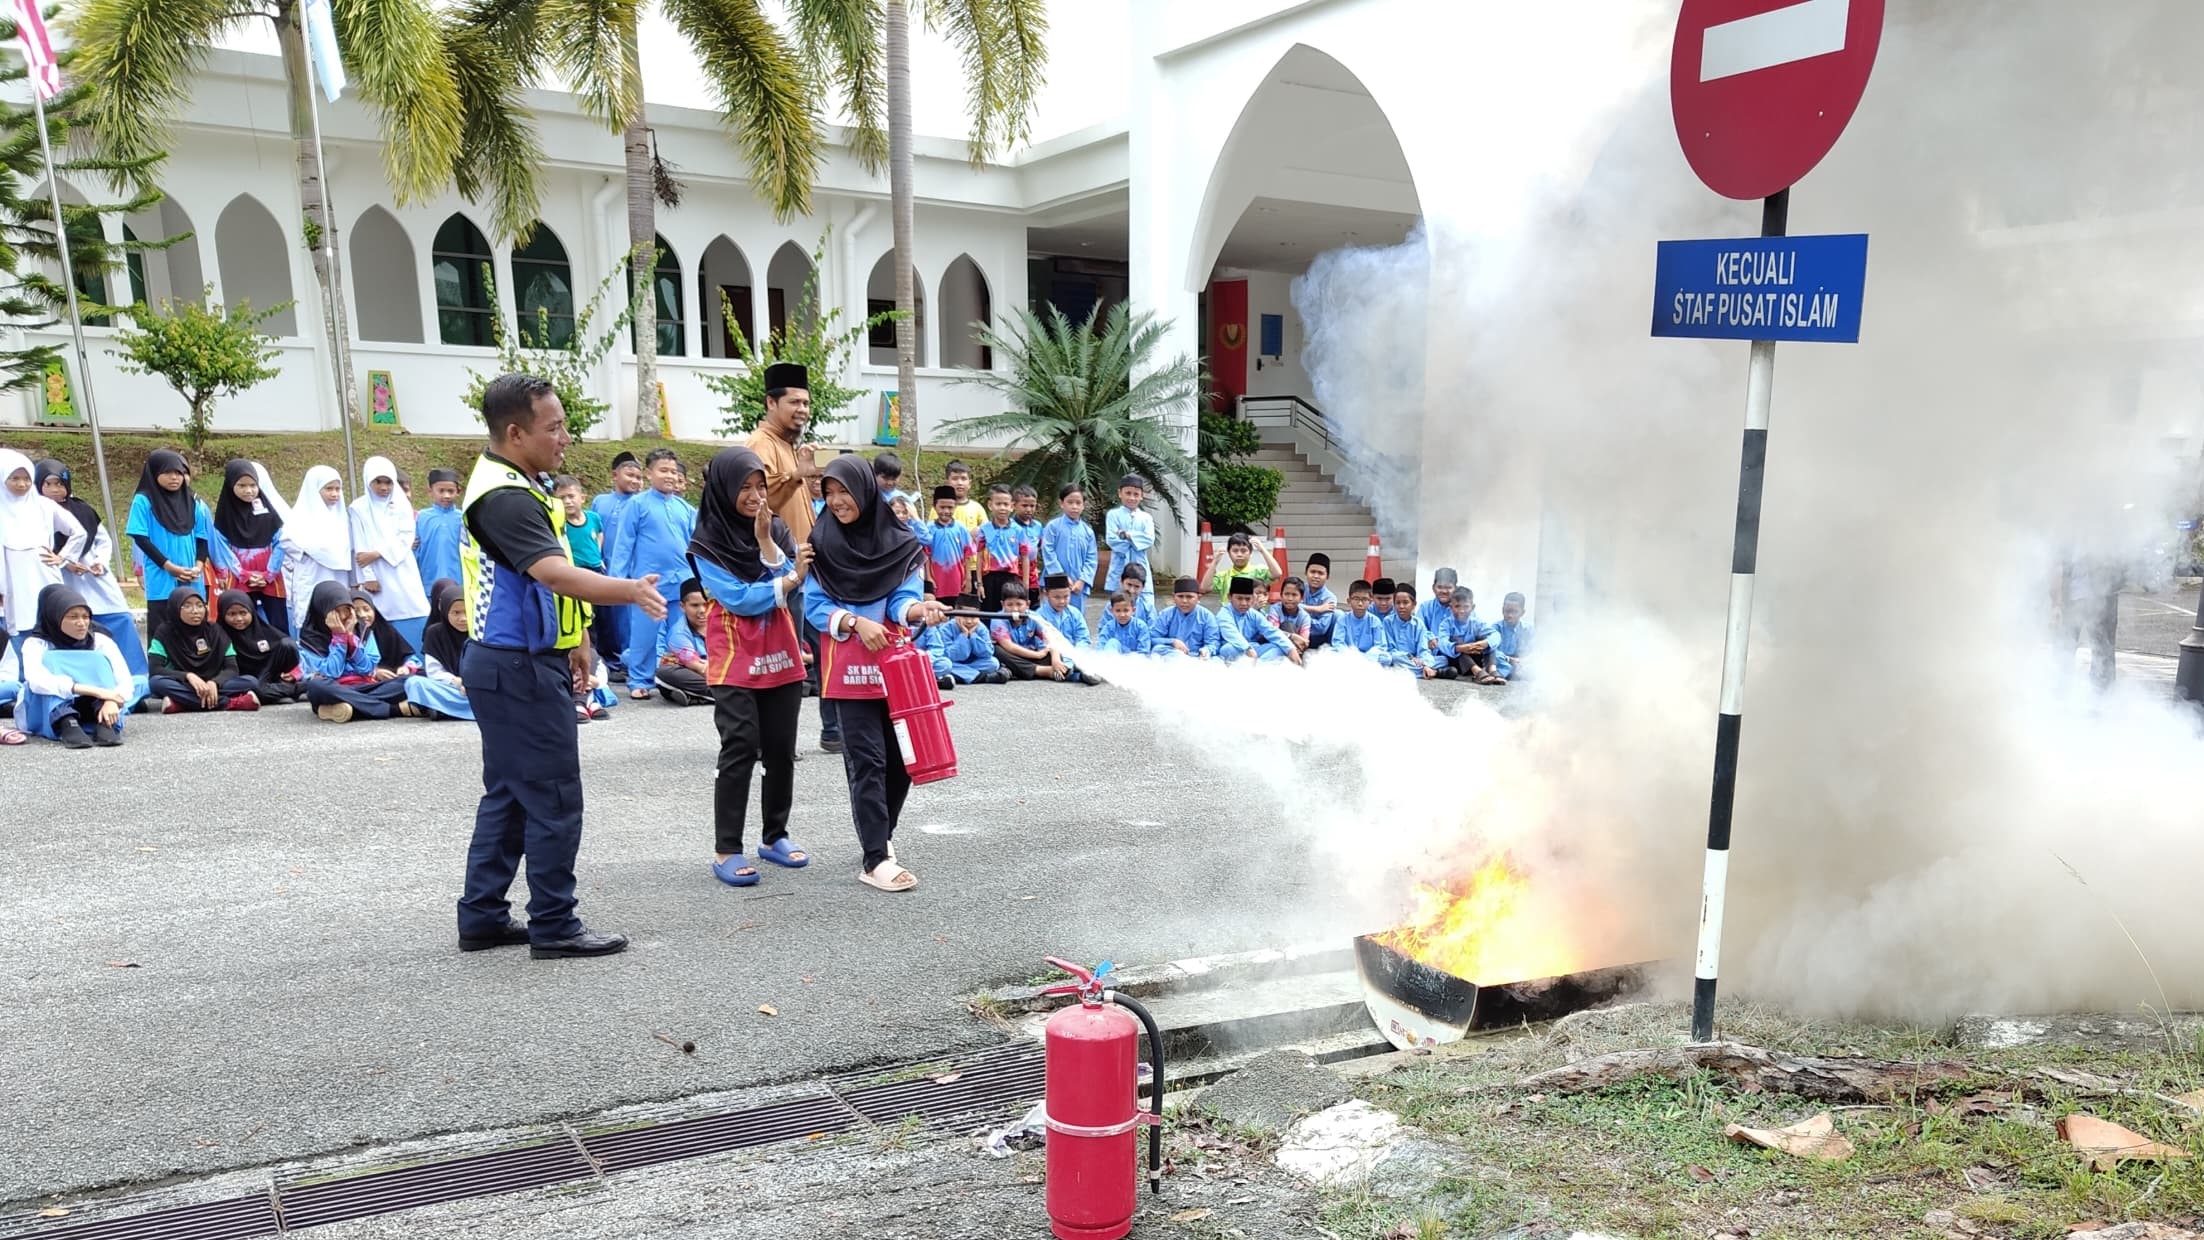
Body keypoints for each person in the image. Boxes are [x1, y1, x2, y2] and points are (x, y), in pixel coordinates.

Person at [456, 374, 667, 958]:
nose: (565, 438)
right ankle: (554, 923)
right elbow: (552, 572)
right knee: (551, 795)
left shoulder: (517, 481)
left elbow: (539, 582)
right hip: (515, 667)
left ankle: (482, 915)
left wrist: (575, 640)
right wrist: (627, 590)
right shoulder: (505, 498)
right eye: (554, 428)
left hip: (510, 658)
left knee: (510, 792)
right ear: (515, 432)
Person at [802, 454, 946, 893]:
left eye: (844, 491)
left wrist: (921, 609)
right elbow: (813, 605)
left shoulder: (900, 540)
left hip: (894, 670)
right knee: (867, 762)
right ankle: (875, 858)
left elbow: (902, 599)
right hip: (848, 672)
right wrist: (853, 623)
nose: (837, 501)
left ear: (866, 490)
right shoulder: (820, 542)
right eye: (829, 493)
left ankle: (880, 836)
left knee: (903, 762)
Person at [688, 444, 813, 888]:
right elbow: (739, 597)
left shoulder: (774, 527)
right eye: (745, 486)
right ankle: (727, 848)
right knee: (740, 744)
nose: (755, 495)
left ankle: (775, 836)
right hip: (734, 654)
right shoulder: (706, 541)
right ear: (723, 489)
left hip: (779, 650)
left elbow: (782, 581)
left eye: (761, 486)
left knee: (781, 748)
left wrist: (764, 540)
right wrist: (789, 578)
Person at [746, 362, 838, 752]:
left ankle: (833, 730)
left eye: (806, 403)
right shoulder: (759, 446)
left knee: (828, 641)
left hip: (806, 566)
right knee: (782, 652)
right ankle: (772, 739)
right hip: (779, 566)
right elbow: (757, 505)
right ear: (771, 402)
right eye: (794, 402)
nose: (802, 409)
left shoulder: (786, 447)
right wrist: (797, 476)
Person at [608, 448, 697, 699]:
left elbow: (695, 547)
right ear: (649, 473)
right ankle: (639, 679)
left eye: (672, 471)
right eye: (663, 470)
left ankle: (675, 677)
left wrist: (698, 580)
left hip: (681, 583)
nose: (669, 476)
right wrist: (618, 582)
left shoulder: (684, 508)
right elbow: (624, 544)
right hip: (648, 584)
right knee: (644, 634)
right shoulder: (637, 504)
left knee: (679, 633)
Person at [17, 585, 132, 747]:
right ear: (55, 617)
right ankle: (66, 721)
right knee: (51, 662)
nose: (81, 623)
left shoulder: (100, 641)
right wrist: (96, 691)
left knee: (99, 660)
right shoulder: (35, 644)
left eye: (86, 617)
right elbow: (36, 681)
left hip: (97, 702)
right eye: (73, 617)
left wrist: (111, 701)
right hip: (52, 707)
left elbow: (125, 681)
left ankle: (105, 722)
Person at [2, 450, 86, 652]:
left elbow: (78, 532)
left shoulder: (43, 505)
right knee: (21, 627)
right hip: (12, 576)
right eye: (14, 478)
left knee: (51, 621)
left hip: (43, 573)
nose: (22, 484)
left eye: (26, 479)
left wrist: (63, 557)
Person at [298, 582, 414, 722]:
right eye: (336, 611)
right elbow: (332, 672)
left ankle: (347, 708)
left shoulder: (363, 630)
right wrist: (339, 637)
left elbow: (366, 668)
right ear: (322, 611)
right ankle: (392, 709)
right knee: (316, 686)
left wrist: (351, 638)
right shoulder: (309, 639)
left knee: (410, 681)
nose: (342, 616)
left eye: (346, 609)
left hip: (365, 686)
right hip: (335, 688)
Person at [125, 449, 211, 635]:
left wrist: (198, 566)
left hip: (191, 575)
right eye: (168, 472)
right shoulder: (143, 501)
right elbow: (140, 537)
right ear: (155, 473)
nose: (174, 478)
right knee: (162, 627)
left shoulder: (192, 501)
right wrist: (169, 566)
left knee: (194, 626)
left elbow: (202, 537)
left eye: (179, 473)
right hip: (162, 574)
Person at [351, 456, 433, 652]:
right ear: (368, 481)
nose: (383, 487)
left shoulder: (401, 504)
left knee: (412, 610)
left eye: (388, 482)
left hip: (401, 568)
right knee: (379, 615)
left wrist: (378, 553)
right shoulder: (358, 508)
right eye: (377, 482)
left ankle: (415, 662)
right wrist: (368, 576)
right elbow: (359, 545)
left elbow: (406, 536)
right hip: (375, 574)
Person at [205, 459, 289, 634]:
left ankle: (280, 660)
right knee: (239, 622)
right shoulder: (224, 518)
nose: (249, 490)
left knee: (278, 626)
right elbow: (222, 548)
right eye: (241, 485)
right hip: (238, 577)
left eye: (253, 485)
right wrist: (243, 574)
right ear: (230, 486)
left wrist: (269, 574)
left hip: (270, 578)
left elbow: (281, 542)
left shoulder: (267, 513)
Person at [146, 583, 259, 712]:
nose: (195, 611)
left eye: (200, 605)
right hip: (185, 684)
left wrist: (214, 682)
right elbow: (155, 669)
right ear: (175, 608)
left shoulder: (216, 630)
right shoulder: (164, 632)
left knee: (251, 682)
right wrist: (188, 676)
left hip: (214, 683)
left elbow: (232, 668)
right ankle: (230, 703)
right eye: (187, 606)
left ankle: (182, 703)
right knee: (156, 683)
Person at [588, 451, 647, 678]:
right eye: (630, 475)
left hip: (631, 572)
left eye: (638, 477)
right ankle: (608, 661)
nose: (635, 480)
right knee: (606, 618)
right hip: (603, 569)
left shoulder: (640, 503)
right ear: (615, 475)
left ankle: (629, 661)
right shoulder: (600, 502)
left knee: (628, 620)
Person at [280, 465, 355, 632]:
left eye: (338, 489)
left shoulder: (343, 517)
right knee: (312, 620)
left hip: (338, 577)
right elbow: (287, 540)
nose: (334, 494)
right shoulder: (301, 516)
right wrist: (310, 551)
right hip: (312, 574)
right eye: (329, 489)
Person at [404, 579, 474, 720]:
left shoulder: (480, 631)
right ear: (445, 611)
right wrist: (456, 681)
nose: (463, 618)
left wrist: (474, 684)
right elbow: (434, 671)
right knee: (414, 683)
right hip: (452, 687)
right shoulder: (435, 632)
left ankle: (444, 709)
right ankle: (460, 709)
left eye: (467, 611)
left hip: (479, 688)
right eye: (456, 613)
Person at [218, 588, 301, 704]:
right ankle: (298, 689)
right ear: (222, 614)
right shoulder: (219, 635)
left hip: (272, 677)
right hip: (245, 681)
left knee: (288, 645)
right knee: (255, 688)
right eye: (232, 614)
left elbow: (291, 655)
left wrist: (294, 673)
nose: (239, 619)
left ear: (251, 611)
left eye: (243, 613)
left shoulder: (264, 631)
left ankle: (278, 691)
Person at [654, 579, 714, 707]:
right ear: (682, 606)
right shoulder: (678, 633)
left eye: (706, 604)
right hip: (693, 673)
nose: (702, 610)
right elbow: (699, 667)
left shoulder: (722, 623)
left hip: (716, 672)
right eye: (695, 605)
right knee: (664, 673)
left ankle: (697, 697)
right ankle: (723, 696)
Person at [974, 484, 1033, 611]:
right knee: (988, 613)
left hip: (1011, 578)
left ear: (1012, 506)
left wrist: (1025, 584)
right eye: (998, 504)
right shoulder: (984, 529)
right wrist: (979, 583)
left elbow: (1025, 557)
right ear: (990, 505)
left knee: (1009, 613)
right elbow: (979, 556)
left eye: (1006, 504)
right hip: (989, 578)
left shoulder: (1018, 530)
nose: (1002, 508)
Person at [1042, 484, 1099, 610]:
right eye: (1070, 502)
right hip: (1055, 584)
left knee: (1076, 620)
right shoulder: (1053, 527)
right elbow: (1048, 551)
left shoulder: (1088, 532)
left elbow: (1092, 559)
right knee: (1052, 620)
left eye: (1078, 503)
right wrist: (1062, 577)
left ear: (1083, 505)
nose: (1074, 506)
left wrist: (1082, 581)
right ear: (1061, 503)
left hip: (1078, 587)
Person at [1220, 575, 1300, 664]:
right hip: (1235, 648)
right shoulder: (1224, 613)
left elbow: (1271, 631)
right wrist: (1248, 649)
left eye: (1247, 599)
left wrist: (1290, 649)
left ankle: (1258, 667)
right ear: (1229, 597)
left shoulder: (1253, 613)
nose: (1244, 603)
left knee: (1279, 648)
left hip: (1253, 649)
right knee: (1227, 649)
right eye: (1239, 598)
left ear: (1253, 598)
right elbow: (1232, 634)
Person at [1105, 474, 1155, 606]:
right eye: (1128, 493)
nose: (1132, 497)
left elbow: (1149, 539)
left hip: (1140, 562)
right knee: (1119, 603)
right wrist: (1136, 540)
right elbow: (1111, 539)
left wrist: (1127, 535)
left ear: (1141, 495)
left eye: (1136, 494)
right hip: (1120, 563)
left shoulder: (1146, 517)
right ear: (1120, 493)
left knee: (1145, 602)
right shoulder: (1113, 515)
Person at [933, 594, 1005, 686]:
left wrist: (973, 636)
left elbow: (988, 653)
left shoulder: (981, 628)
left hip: (973, 663)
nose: (969, 621)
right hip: (954, 663)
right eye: (965, 617)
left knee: (993, 663)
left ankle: (964, 675)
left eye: (973, 617)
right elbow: (950, 655)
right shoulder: (946, 628)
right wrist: (964, 636)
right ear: (956, 615)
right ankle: (981, 677)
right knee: (946, 665)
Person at [1438, 586, 1504, 684]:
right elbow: (1442, 643)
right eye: (1457, 606)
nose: (1462, 611)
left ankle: (1492, 670)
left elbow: (1495, 634)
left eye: (1466, 606)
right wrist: (1460, 648)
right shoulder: (1446, 624)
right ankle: (1477, 672)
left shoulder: (1476, 623)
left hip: (1474, 657)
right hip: (1457, 662)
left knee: (1488, 641)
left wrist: (1485, 643)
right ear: (1451, 607)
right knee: (1456, 642)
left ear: (1472, 607)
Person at [920, 485, 975, 600]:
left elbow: (967, 555)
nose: (946, 511)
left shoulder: (961, 528)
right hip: (936, 580)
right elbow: (926, 556)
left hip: (957, 580)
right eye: (942, 507)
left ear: (955, 507)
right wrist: (928, 578)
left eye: (950, 507)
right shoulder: (928, 529)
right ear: (935, 506)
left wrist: (968, 578)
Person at [350, 588, 419, 678]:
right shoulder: (348, 636)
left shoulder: (386, 631)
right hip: (363, 683)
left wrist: (406, 668)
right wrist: (374, 672)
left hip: (394, 678)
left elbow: (411, 658)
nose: (363, 615)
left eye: (366, 609)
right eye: (356, 611)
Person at [416, 468, 466, 591]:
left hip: (458, 580)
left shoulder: (463, 518)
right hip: (428, 579)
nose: (446, 495)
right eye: (441, 491)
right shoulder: (421, 518)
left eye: (450, 491)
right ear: (430, 491)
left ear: (458, 492)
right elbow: (415, 548)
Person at [1383, 582, 1447, 679]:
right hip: (1400, 658)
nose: (1401, 606)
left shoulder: (1418, 624)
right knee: (1388, 658)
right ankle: (1433, 672)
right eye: (1398, 603)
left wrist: (1425, 664)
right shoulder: (1388, 621)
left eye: (1405, 602)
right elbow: (1391, 649)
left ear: (1414, 604)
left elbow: (1423, 649)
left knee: (1444, 659)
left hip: (1416, 660)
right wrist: (1410, 657)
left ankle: (1417, 671)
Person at [1151, 576, 1224, 658]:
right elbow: (1153, 638)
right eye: (1180, 596)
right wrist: (1172, 642)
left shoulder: (1207, 616)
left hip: (1197, 657)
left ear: (1198, 598)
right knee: (1157, 649)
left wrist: (1207, 650)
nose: (1184, 601)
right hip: (1173, 655)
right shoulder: (1166, 614)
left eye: (1189, 597)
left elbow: (1213, 642)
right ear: (1174, 597)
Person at [1328, 580, 1393, 665]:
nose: (1360, 603)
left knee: (1387, 658)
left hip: (1368, 657)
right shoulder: (1342, 619)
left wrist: (1365, 657)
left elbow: (1380, 646)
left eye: (1364, 599)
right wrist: (1352, 656)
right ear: (1349, 600)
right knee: (1330, 653)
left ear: (1370, 601)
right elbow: (1338, 643)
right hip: (1348, 656)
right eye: (1356, 599)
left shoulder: (1375, 621)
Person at [1206, 531, 1279, 598]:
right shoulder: (1223, 576)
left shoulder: (1259, 571)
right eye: (1235, 551)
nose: (1239, 554)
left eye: (1243, 551)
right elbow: (1205, 587)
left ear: (1250, 552)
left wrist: (1262, 549)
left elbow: (1277, 573)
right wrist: (1214, 562)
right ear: (1229, 553)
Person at [1490, 592, 1531, 682]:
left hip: (1520, 662)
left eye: (1515, 612)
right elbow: (1493, 650)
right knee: (1491, 654)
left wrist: (1522, 660)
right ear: (1502, 610)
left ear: (1522, 613)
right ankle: (1509, 672)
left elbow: (1534, 651)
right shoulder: (1495, 628)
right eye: (1507, 611)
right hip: (1503, 661)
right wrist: (1509, 659)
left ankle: (1510, 673)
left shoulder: (1528, 629)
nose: (1510, 615)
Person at [1012, 485, 1045, 590]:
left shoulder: (1038, 526)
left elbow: (1040, 546)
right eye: (1025, 505)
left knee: (1033, 602)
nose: (1029, 509)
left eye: (1032, 506)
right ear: (1014, 505)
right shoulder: (1009, 526)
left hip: (1032, 572)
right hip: (1014, 571)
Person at [1301, 553, 1337, 650]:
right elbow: (1285, 605)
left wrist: (1299, 617)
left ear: (1327, 576)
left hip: (1319, 640)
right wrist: (1317, 609)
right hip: (1297, 636)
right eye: (1312, 572)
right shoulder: (1298, 589)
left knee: (1338, 615)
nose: (1316, 576)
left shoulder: (1330, 598)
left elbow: (1321, 628)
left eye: (1321, 573)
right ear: (1305, 572)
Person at [1267, 576, 1312, 653]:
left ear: (1302, 598)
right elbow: (1272, 632)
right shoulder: (1275, 609)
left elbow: (1304, 641)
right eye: (1286, 594)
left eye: (1294, 595)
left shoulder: (1305, 616)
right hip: (1276, 646)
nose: (1290, 598)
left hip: (1297, 649)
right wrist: (1291, 636)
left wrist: (1298, 646)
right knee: (1287, 625)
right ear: (1281, 595)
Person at [1417, 567, 1461, 636]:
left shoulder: (1463, 608)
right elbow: (1419, 632)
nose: (1444, 591)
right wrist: (1431, 639)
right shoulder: (1425, 608)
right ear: (1433, 588)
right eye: (1440, 587)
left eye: (1448, 587)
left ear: (1456, 589)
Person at [944, 460, 985, 531]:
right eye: (955, 478)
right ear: (947, 483)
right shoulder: (940, 508)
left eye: (963, 478)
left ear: (969, 484)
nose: (959, 483)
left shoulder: (977, 508)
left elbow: (986, 532)